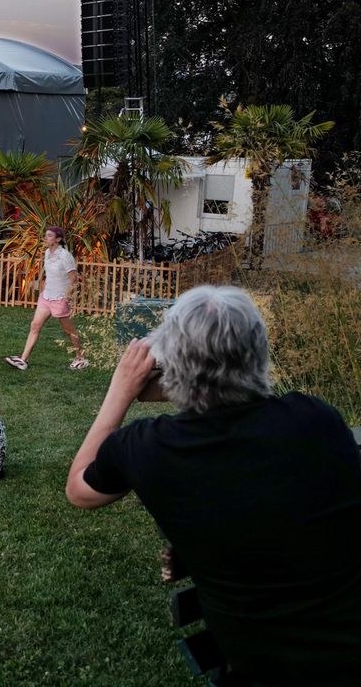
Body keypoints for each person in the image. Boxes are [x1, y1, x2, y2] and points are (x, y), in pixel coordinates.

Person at [66, 286, 361, 682]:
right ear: (258, 352)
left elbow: (79, 489)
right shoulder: (315, 420)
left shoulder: (150, 447)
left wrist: (121, 391)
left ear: (170, 366)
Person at [4, 226, 87, 370]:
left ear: (58, 239)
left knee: (69, 331)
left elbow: (74, 279)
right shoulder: (48, 253)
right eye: (46, 235)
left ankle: (81, 358)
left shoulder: (65, 256)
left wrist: (67, 297)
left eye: (49, 236)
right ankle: (23, 360)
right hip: (46, 297)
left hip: (60, 299)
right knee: (35, 325)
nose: (45, 238)